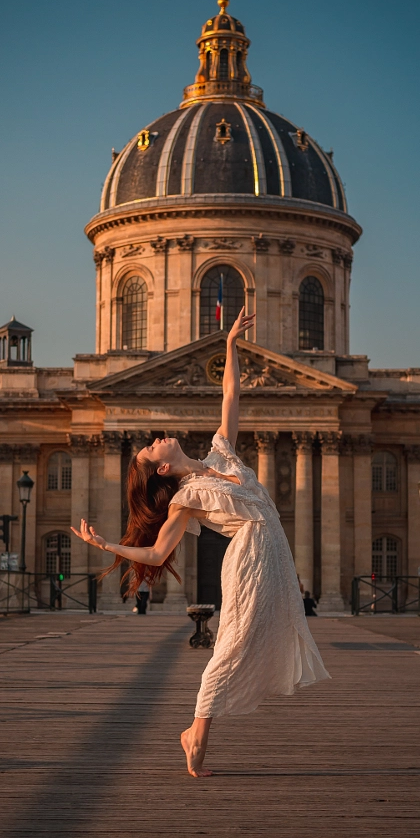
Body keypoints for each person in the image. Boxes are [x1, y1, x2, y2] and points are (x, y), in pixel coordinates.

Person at [71, 308, 330, 777]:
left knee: (260, 635)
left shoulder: (221, 452)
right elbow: (155, 554)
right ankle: (197, 730)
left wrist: (229, 344)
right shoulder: (184, 500)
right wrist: (107, 545)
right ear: (162, 470)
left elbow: (231, 394)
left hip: (273, 551)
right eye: (152, 447)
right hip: (250, 555)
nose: (157, 439)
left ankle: (200, 727)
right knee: (232, 643)